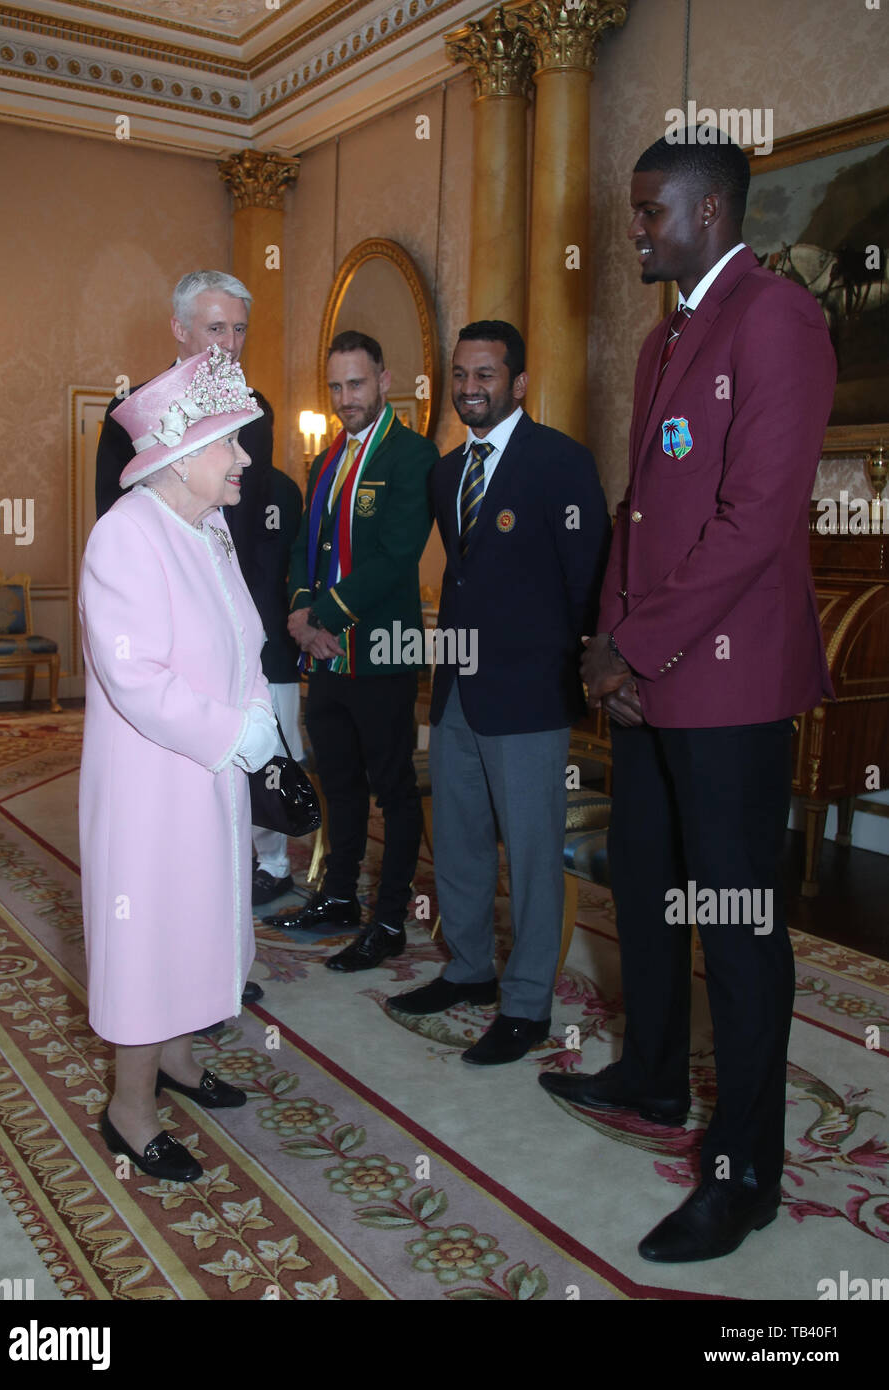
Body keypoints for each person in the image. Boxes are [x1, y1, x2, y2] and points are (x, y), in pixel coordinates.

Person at [541, 132, 837, 1261]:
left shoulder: (775, 319)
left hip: (730, 681)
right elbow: (645, 510)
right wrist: (609, 642)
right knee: (651, 886)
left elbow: (754, 524)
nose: (636, 229)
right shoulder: (673, 332)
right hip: (656, 676)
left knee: (739, 922)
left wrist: (635, 647)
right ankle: (656, 1074)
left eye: (650, 211)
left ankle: (746, 1170)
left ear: (710, 213)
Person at [79, 345, 284, 1182]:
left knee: (200, 920)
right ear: (180, 453)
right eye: (231, 441)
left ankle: (177, 1062)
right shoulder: (124, 537)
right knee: (149, 936)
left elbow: (245, 636)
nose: (243, 457)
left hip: (209, 775)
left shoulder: (209, 526)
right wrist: (230, 734)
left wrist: (260, 711)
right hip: (151, 789)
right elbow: (137, 678)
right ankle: (130, 1108)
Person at [390, 321, 610, 1064]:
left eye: (485, 375)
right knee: (455, 842)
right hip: (456, 690)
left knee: (534, 853)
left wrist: (584, 670)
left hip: (529, 696)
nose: (469, 389)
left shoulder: (562, 464)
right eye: (460, 375)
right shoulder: (446, 473)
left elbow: (589, 582)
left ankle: (526, 1005)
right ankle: (469, 969)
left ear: (518, 382)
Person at [97, 270, 303, 924]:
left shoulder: (258, 409)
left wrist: (255, 631)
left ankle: (228, 943)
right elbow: (123, 526)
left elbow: (256, 529)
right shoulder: (130, 414)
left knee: (239, 808)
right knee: (173, 833)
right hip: (169, 643)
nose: (230, 343)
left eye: (240, 329)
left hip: (236, 625)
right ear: (180, 330)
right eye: (217, 328)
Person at [271, 331, 437, 972]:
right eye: (336, 387)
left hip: (381, 654)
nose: (345, 399)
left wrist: (323, 615)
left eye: (357, 384)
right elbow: (303, 551)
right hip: (326, 656)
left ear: (384, 380)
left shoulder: (413, 456)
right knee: (337, 783)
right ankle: (338, 896)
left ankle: (389, 919)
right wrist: (301, 613)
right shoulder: (325, 460)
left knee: (392, 790)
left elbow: (396, 558)